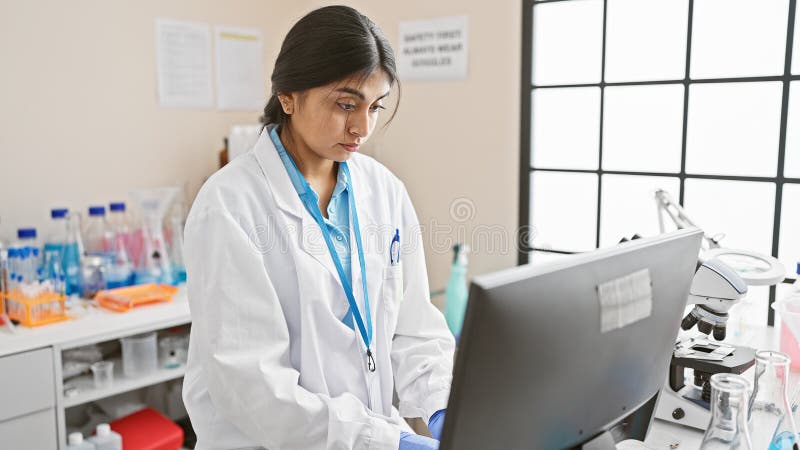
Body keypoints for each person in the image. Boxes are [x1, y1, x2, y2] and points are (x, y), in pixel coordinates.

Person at [182, 6, 456, 449]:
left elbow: (415, 329)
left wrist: (444, 408)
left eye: (375, 106)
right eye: (346, 104)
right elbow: (252, 385)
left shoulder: (384, 190)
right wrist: (388, 442)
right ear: (288, 96)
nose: (362, 127)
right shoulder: (229, 204)